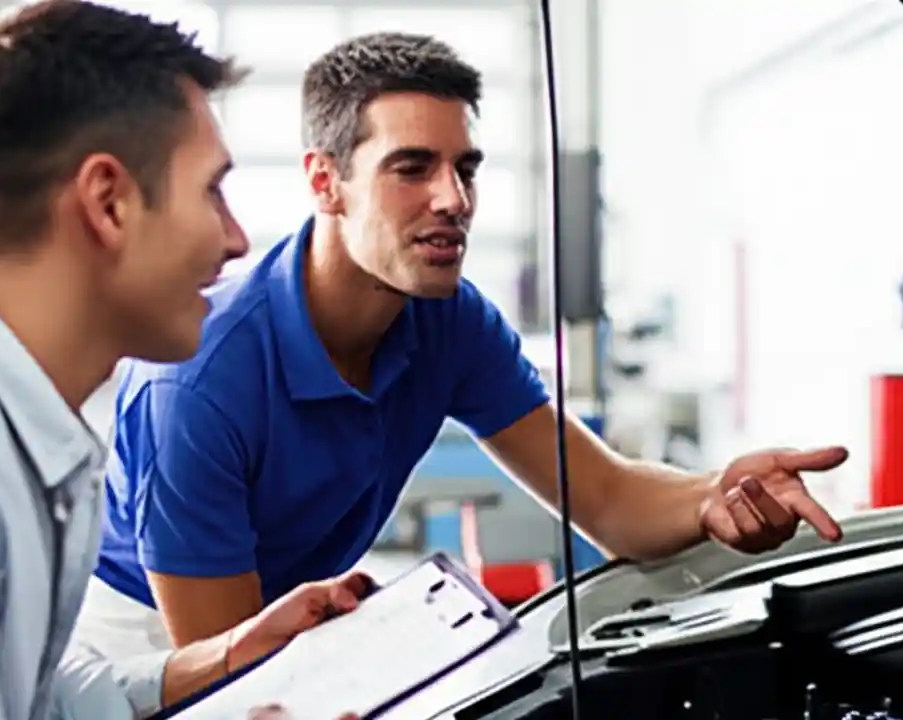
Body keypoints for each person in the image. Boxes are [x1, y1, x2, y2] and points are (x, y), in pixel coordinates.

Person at [78, 30, 851, 662]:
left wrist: (714, 496)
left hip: (286, 618)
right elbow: (228, 672)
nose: (454, 199)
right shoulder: (201, 376)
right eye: (412, 168)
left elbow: (607, 498)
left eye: (465, 169)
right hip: (152, 640)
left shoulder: (446, 320)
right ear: (324, 182)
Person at [0, 2, 369, 718]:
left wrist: (233, 655)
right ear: (109, 204)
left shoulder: (11, 430)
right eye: (210, 190)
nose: (234, 239)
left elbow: (38, 698)